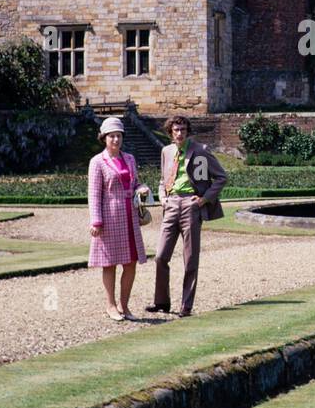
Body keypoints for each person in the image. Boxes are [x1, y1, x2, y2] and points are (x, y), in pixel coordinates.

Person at [146, 115, 227, 318]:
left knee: (190, 258)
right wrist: (162, 197)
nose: (180, 133)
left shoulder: (200, 151)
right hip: (171, 204)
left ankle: (186, 305)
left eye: (183, 129)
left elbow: (221, 177)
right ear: (170, 132)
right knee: (160, 256)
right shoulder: (166, 151)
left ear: (187, 131)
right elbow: (162, 179)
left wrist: (204, 199)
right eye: (176, 130)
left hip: (191, 205)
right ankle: (162, 302)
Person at [87, 117, 151, 321]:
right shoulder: (97, 162)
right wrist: (96, 221)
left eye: (118, 135)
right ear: (104, 138)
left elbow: (135, 184)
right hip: (110, 216)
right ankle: (110, 305)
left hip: (130, 216)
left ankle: (125, 306)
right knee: (110, 263)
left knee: (130, 263)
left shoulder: (130, 159)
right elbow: (94, 194)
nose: (115, 139)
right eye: (111, 136)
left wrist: (142, 189)